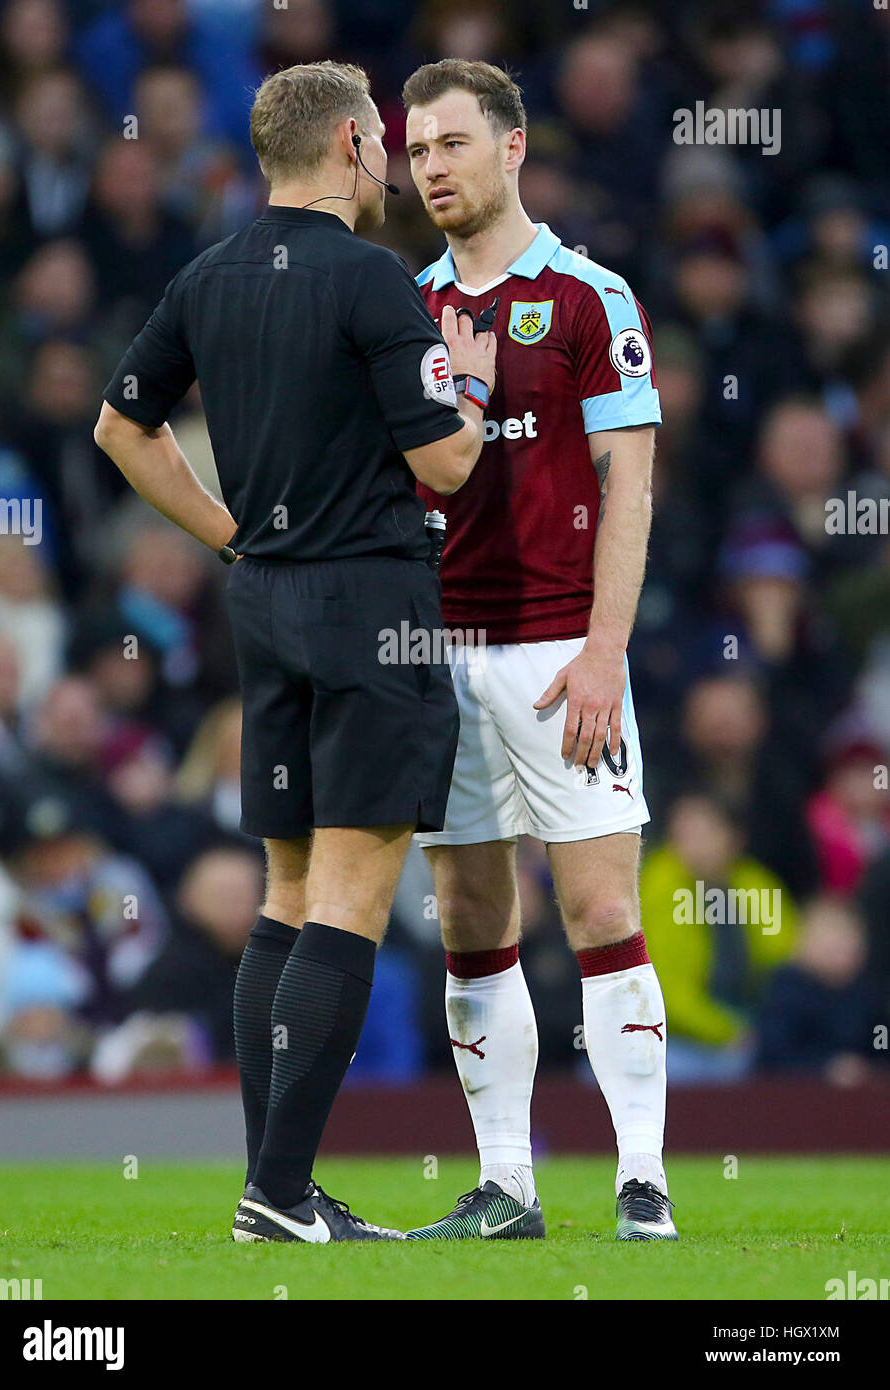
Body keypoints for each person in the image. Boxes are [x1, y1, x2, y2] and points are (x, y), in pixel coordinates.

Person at [94, 60, 496, 1244]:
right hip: (374, 600)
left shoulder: (209, 275)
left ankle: (280, 1184)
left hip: (261, 606)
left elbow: (122, 423)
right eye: (382, 144)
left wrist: (229, 535)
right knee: (351, 900)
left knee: (282, 893)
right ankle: (276, 1193)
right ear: (351, 148)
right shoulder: (374, 281)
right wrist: (466, 388)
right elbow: (444, 465)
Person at [401, 60, 673, 1242]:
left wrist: (607, 646)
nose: (431, 169)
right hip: (440, 647)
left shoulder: (586, 296)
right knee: (467, 914)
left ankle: (641, 1179)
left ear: (511, 148)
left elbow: (630, 484)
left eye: (452, 144)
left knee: (601, 904)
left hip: (561, 644)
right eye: (414, 152)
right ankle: (506, 1184)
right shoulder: (402, 304)